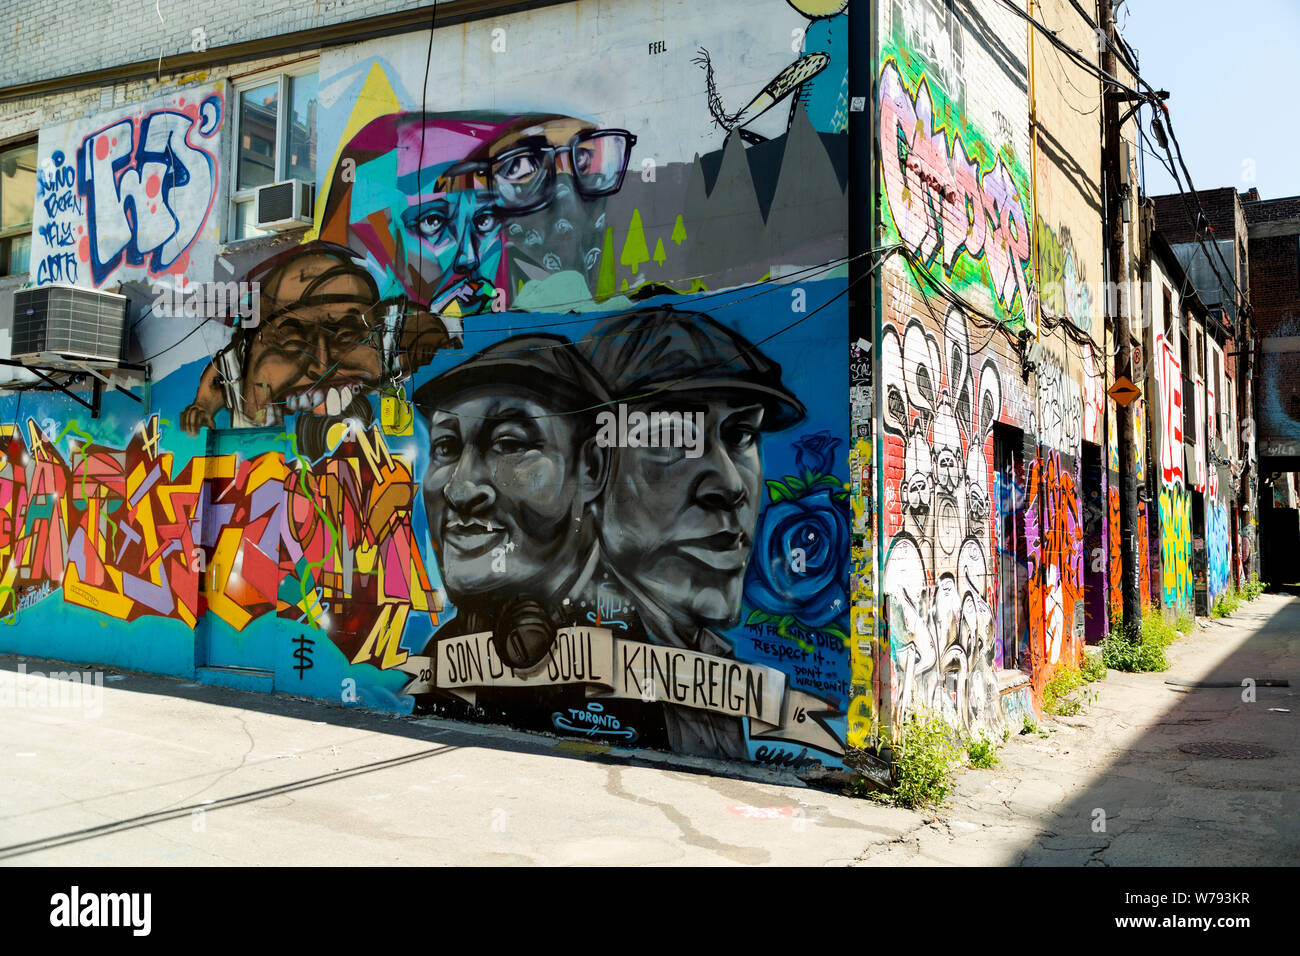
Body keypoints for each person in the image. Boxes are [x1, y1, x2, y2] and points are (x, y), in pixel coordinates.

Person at [579, 306, 807, 758]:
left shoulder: (701, 652)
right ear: (593, 468)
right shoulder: (563, 653)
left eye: (741, 435)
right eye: (672, 436)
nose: (730, 484)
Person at [412, 334, 610, 672]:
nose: (459, 491)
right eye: (446, 446)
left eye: (509, 444)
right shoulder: (441, 651)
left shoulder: (634, 644)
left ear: (590, 467)